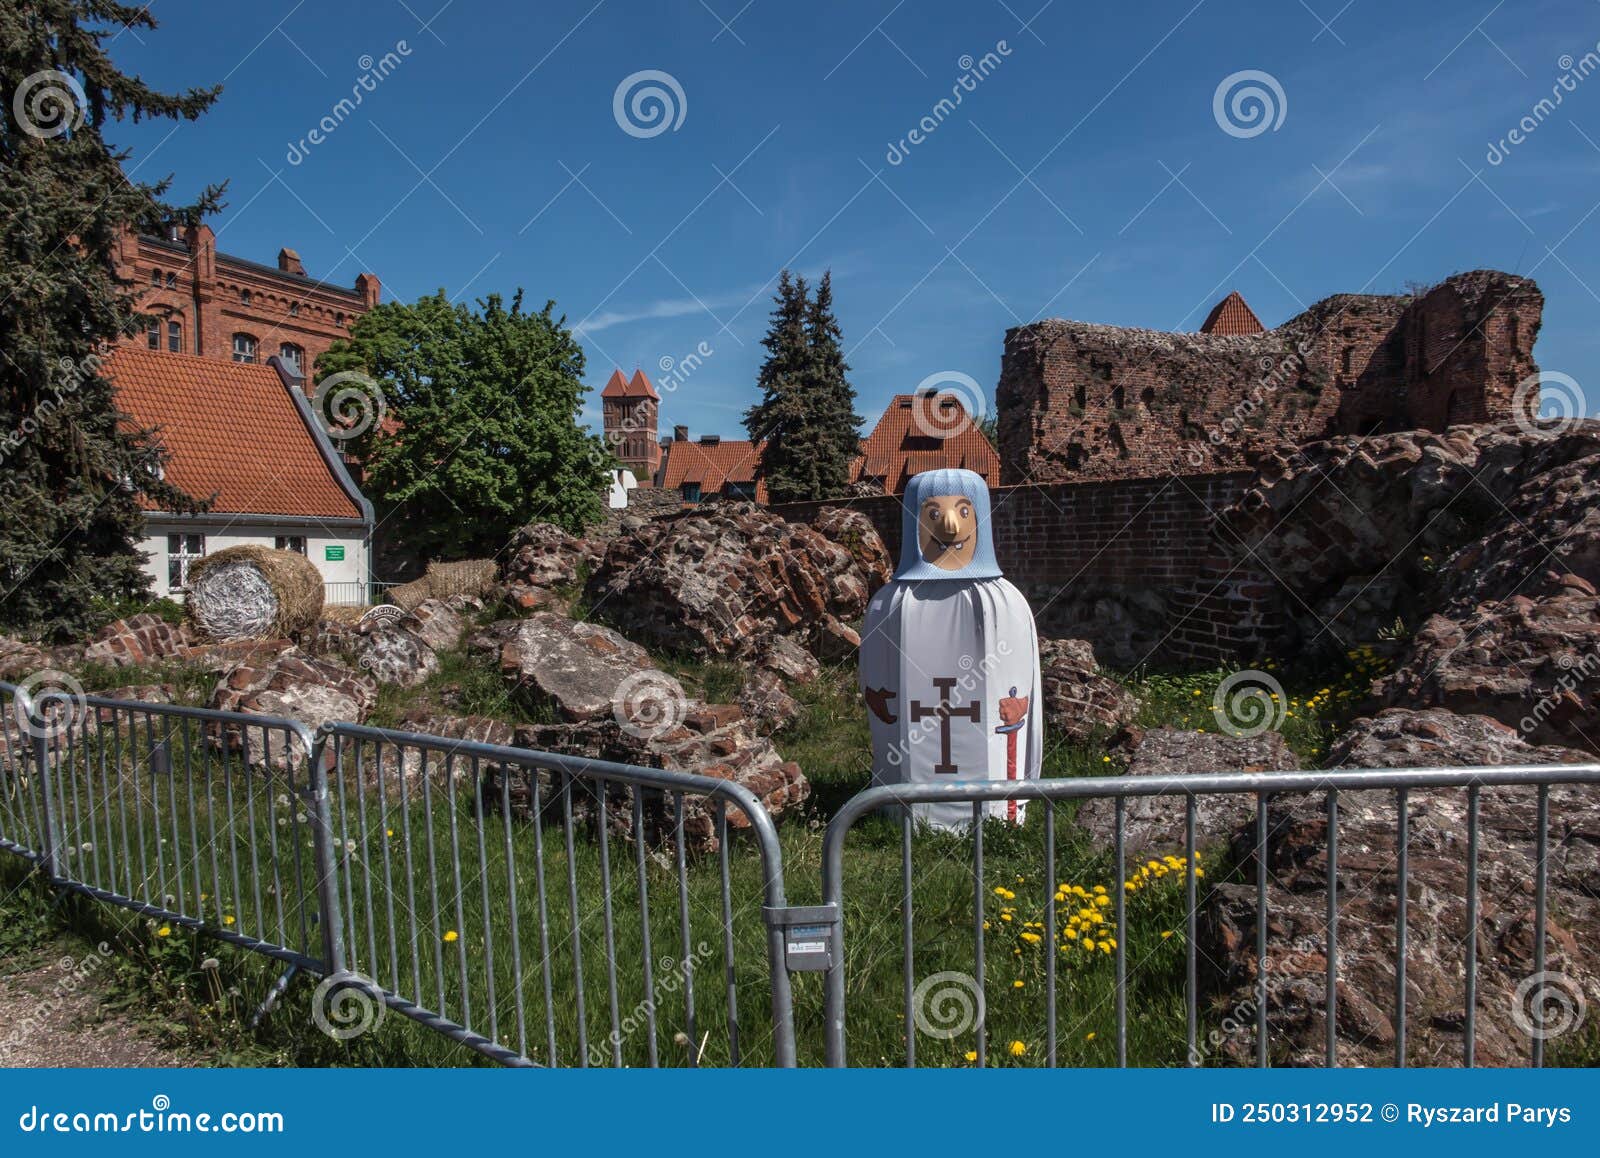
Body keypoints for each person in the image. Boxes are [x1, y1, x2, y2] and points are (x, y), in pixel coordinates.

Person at [858, 468, 1042, 831]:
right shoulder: (890, 605)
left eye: (962, 512)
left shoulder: (1004, 602)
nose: (951, 528)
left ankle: (997, 817)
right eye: (933, 514)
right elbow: (878, 680)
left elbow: (1019, 679)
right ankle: (904, 812)